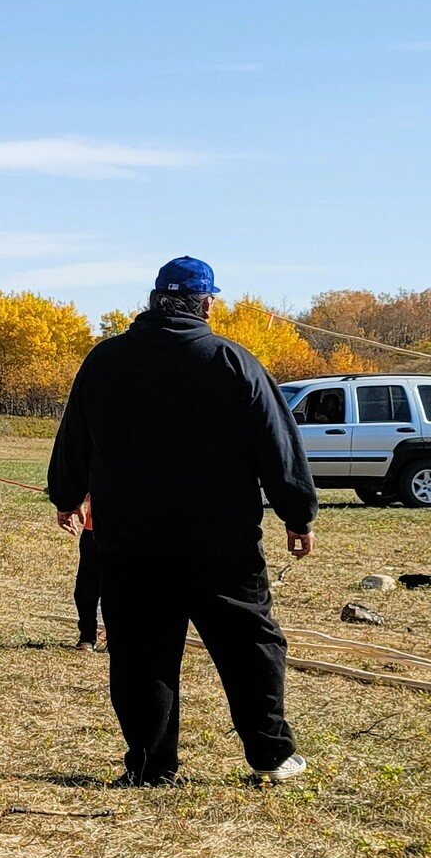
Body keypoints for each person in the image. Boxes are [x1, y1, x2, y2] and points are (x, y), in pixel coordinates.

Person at [47, 256, 317, 786]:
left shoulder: (105, 361)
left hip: (130, 542)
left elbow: (73, 435)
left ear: (153, 300)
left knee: (140, 655)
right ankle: (270, 756)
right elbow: (278, 446)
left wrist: (67, 495)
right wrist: (297, 514)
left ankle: (150, 766)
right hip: (222, 544)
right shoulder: (233, 362)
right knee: (249, 648)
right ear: (207, 304)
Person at [72, 497, 102, 652]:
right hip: (95, 529)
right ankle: (87, 636)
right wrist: (72, 503)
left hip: (134, 532)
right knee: (86, 589)